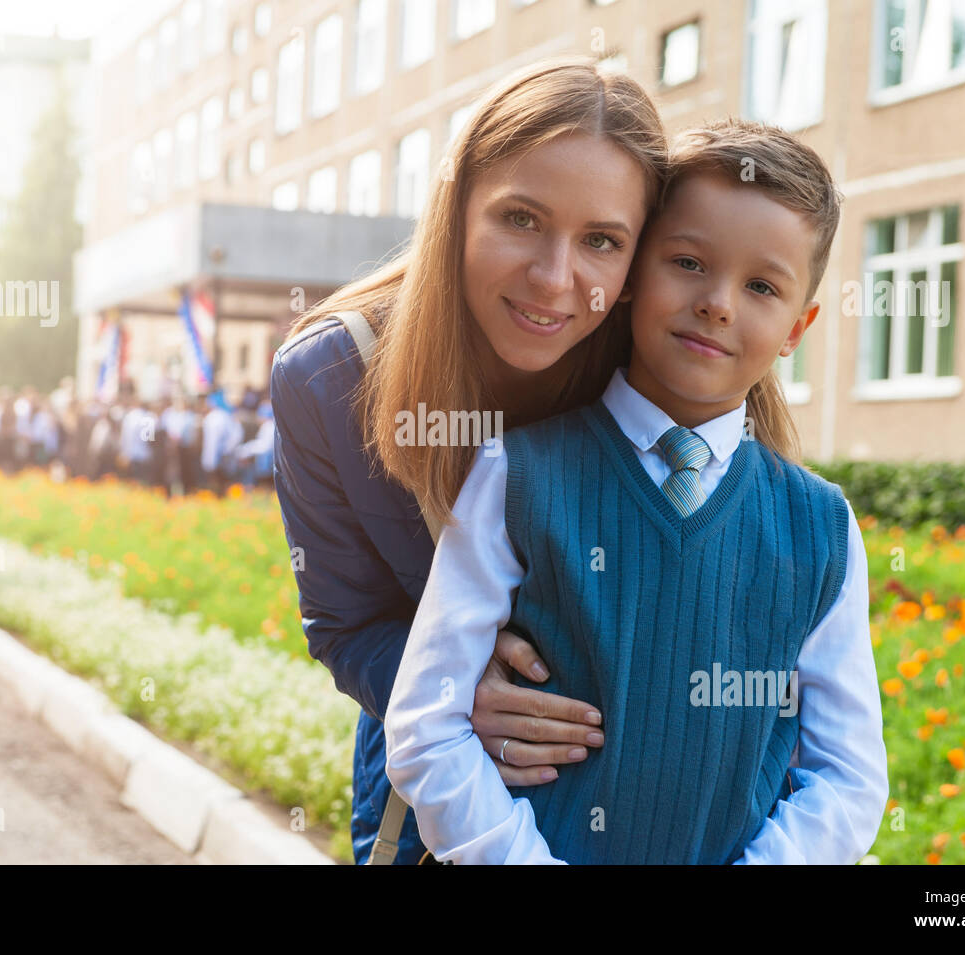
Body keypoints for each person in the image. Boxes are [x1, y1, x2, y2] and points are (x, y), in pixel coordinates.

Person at [384, 119, 889, 864]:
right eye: (687, 262)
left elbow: (847, 777)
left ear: (797, 328)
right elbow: (428, 725)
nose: (718, 302)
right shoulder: (517, 473)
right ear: (629, 280)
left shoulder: (821, 527)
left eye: (761, 286)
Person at [271, 57, 674, 864]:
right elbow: (345, 622)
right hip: (431, 812)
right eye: (521, 218)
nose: (554, 279)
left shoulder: (653, 364)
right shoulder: (329, 374)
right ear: (457, 209)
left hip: (639, 807)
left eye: (601, 240)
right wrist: (454, 693)